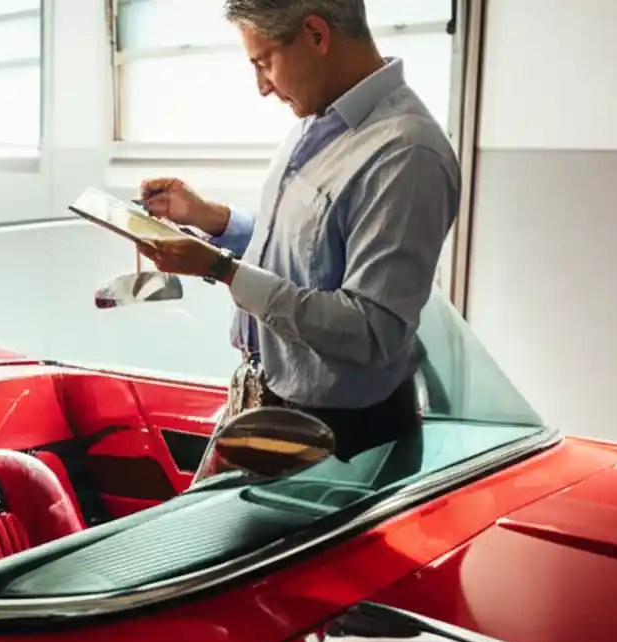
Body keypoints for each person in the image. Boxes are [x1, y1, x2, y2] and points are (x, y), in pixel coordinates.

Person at [139, 0, 460, 465]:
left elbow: (371, 332)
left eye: (264, 62)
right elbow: (305, 252)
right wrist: (212, 220)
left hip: (344, 437)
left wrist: (222, 270)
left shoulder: (406, 153)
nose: (262, 87)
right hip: (272, 398)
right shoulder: (317, 121)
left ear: (316, 34)